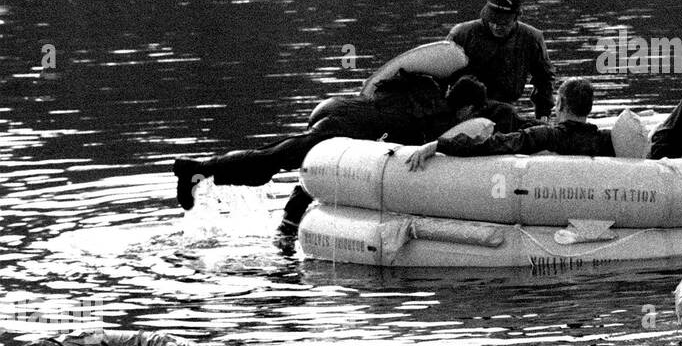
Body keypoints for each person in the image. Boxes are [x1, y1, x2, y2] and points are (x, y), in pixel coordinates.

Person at [172, 73, 504, 250]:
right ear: (468, 110)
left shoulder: (422, 90)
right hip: (343, 128)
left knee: (290, 163)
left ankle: (286, 226)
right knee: (271, 161)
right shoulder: (435, 119)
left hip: (340, 108)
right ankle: (197, 169)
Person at [405, 77, 613, 167]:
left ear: (560, 105)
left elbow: (491, 144)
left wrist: (438, 144)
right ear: (589, 107)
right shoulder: (604, 140)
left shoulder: (547, 136)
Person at [448, 0, 555, 122]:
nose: (496, 26)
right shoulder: (462, 34)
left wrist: (543, 114)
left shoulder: (531, 38)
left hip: (506, 109)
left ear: (517, 16)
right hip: (466, 110)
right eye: (491, 20)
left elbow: (544, 79)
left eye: (504, 22)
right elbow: (443, 76)